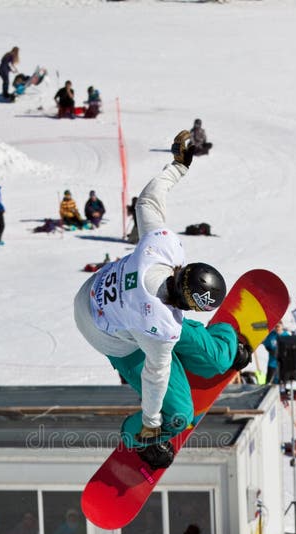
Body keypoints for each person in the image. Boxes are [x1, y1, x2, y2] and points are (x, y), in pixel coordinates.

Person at [73, 130, 250, 469]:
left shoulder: (162, 248)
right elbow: (155, 376)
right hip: (110, 335)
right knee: (180, 416)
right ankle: (136, 437)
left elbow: (148, 203)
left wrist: (178, 167)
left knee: (216, 357)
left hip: (105, 297)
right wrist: (152, 427)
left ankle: (223, 351)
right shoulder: (161, 326)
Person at [262, 320, 290, 385]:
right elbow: (266, 344)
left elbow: (290, 347)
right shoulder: (271, 335)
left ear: (282, 326)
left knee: (282, 381)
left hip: (283, 363)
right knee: (268, 381)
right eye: (276, 327)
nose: (277, 328)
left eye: (278, 327)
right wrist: (270, 350)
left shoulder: (286, 335)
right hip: (272, 362)